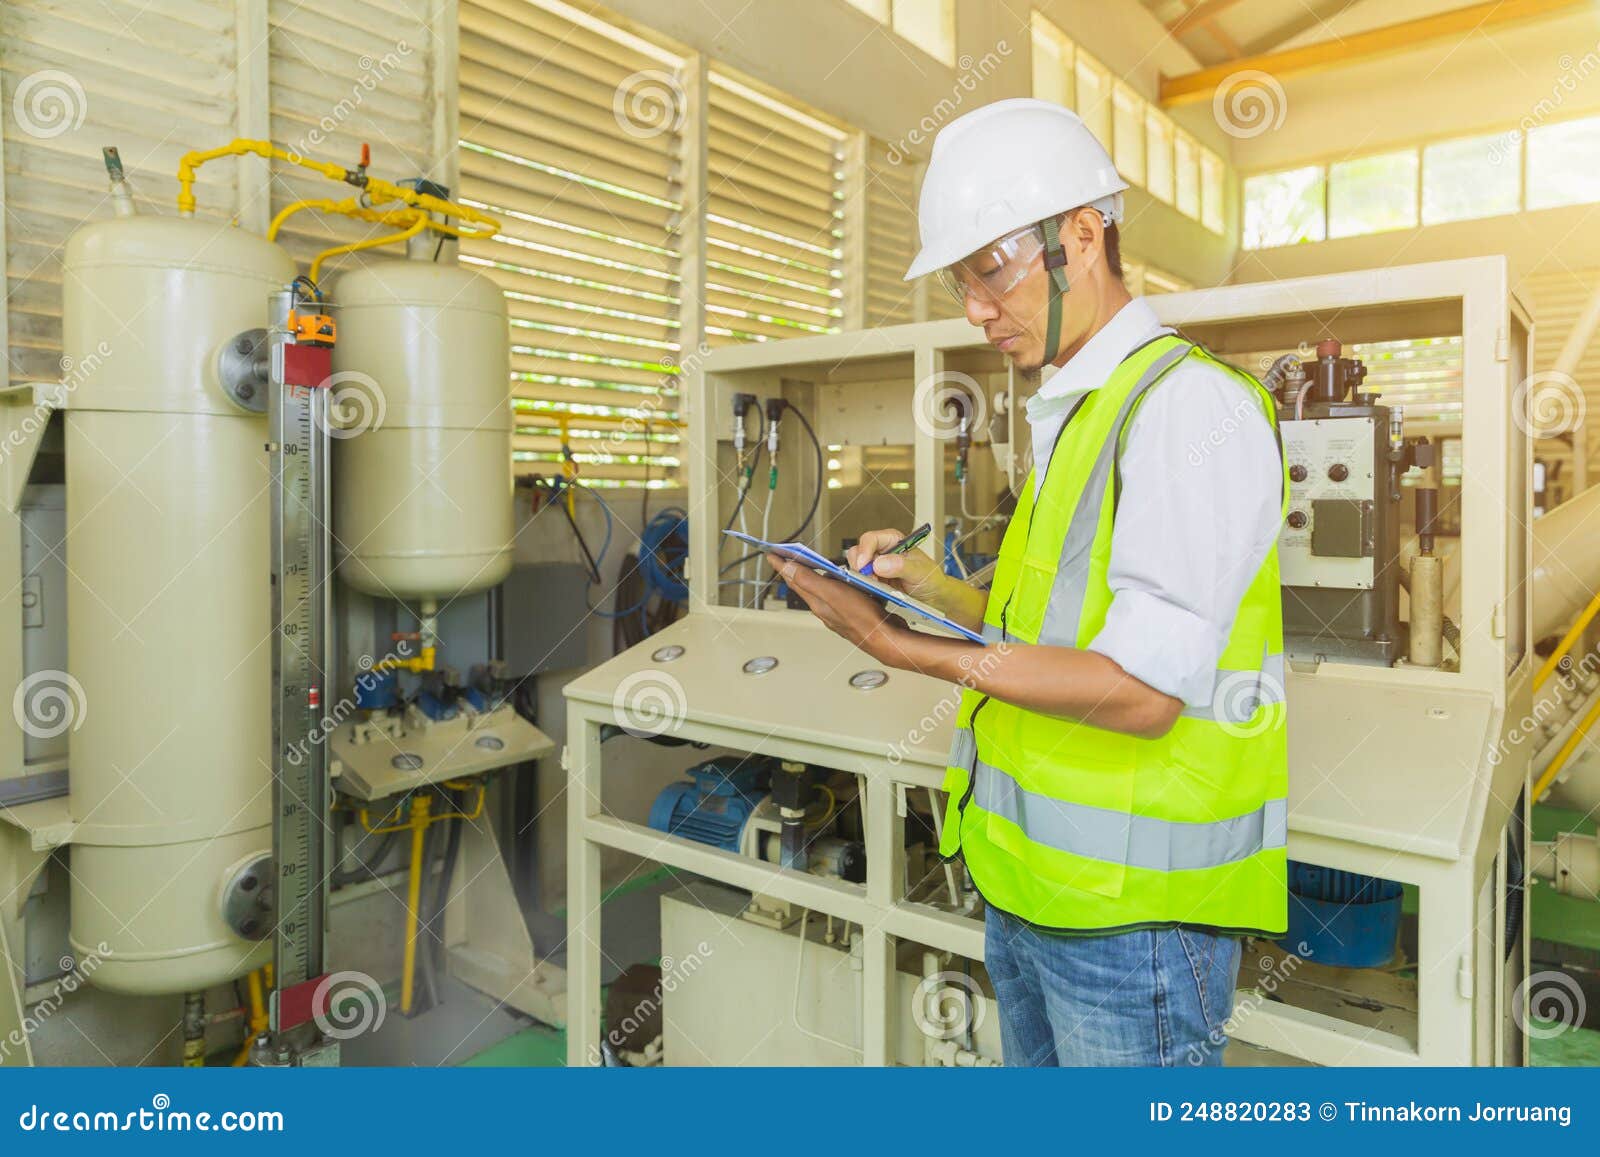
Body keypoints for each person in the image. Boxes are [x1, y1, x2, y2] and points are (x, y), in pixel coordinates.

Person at [767, 97, 1288, 1067]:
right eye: (963, 280)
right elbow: (1046, 625)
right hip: (1029, 892)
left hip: (1133, 919)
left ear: (1081, 235)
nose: (974, 307)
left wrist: (892, 644)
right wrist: (924, 586)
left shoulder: (1186, 408)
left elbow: (1138, 690)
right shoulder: (1079, 415)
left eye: (991, 270)